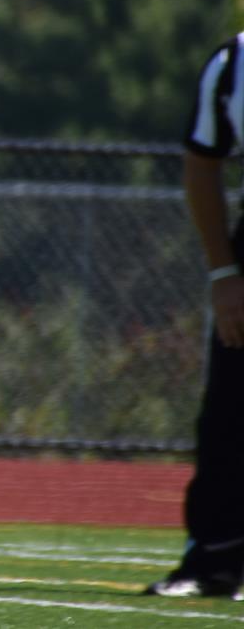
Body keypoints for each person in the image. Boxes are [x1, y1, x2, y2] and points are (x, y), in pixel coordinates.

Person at [145, 33, 244, 601]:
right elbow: (202, 163)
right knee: (230, 414)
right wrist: (223, 272)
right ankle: (217, 559)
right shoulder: (233, 64)